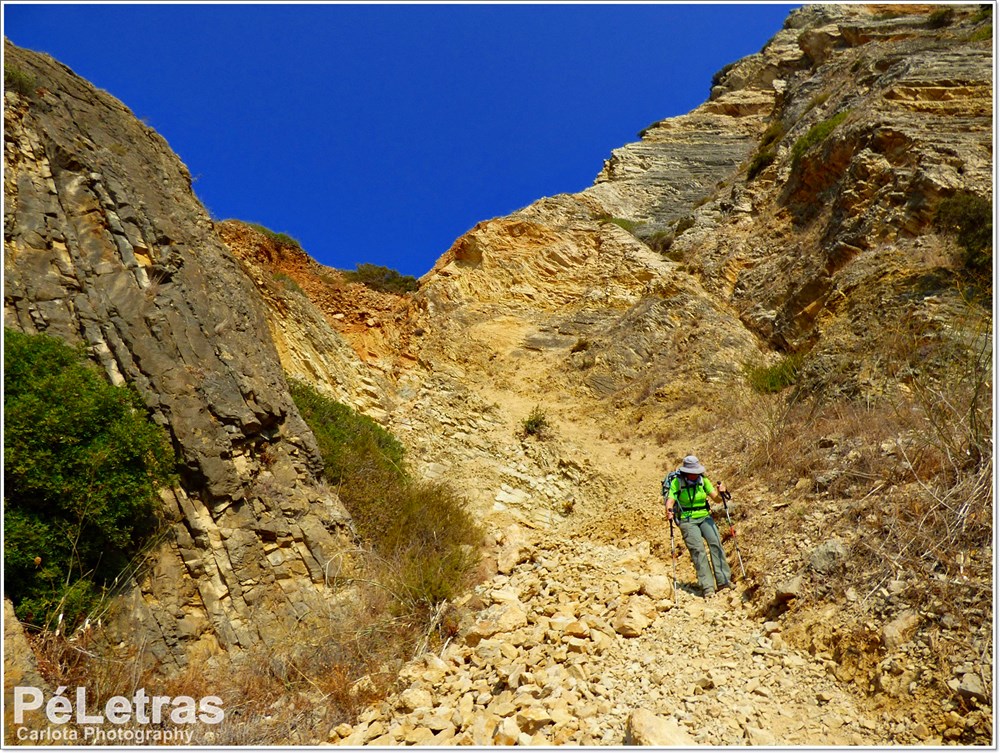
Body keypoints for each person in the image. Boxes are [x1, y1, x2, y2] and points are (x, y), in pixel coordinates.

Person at [663, 455, 733, 597]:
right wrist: (668, 510)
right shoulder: (677, 482)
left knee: (716, 543)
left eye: (696, 472)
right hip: (687, 520)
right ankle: (707, 587)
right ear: (686, 472)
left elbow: (717, 499)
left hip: (704, 516)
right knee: (698, 551)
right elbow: (670, 500)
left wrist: (722, 492)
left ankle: (724, 581)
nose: (695, 475)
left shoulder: (703, 480)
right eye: (692, 473)